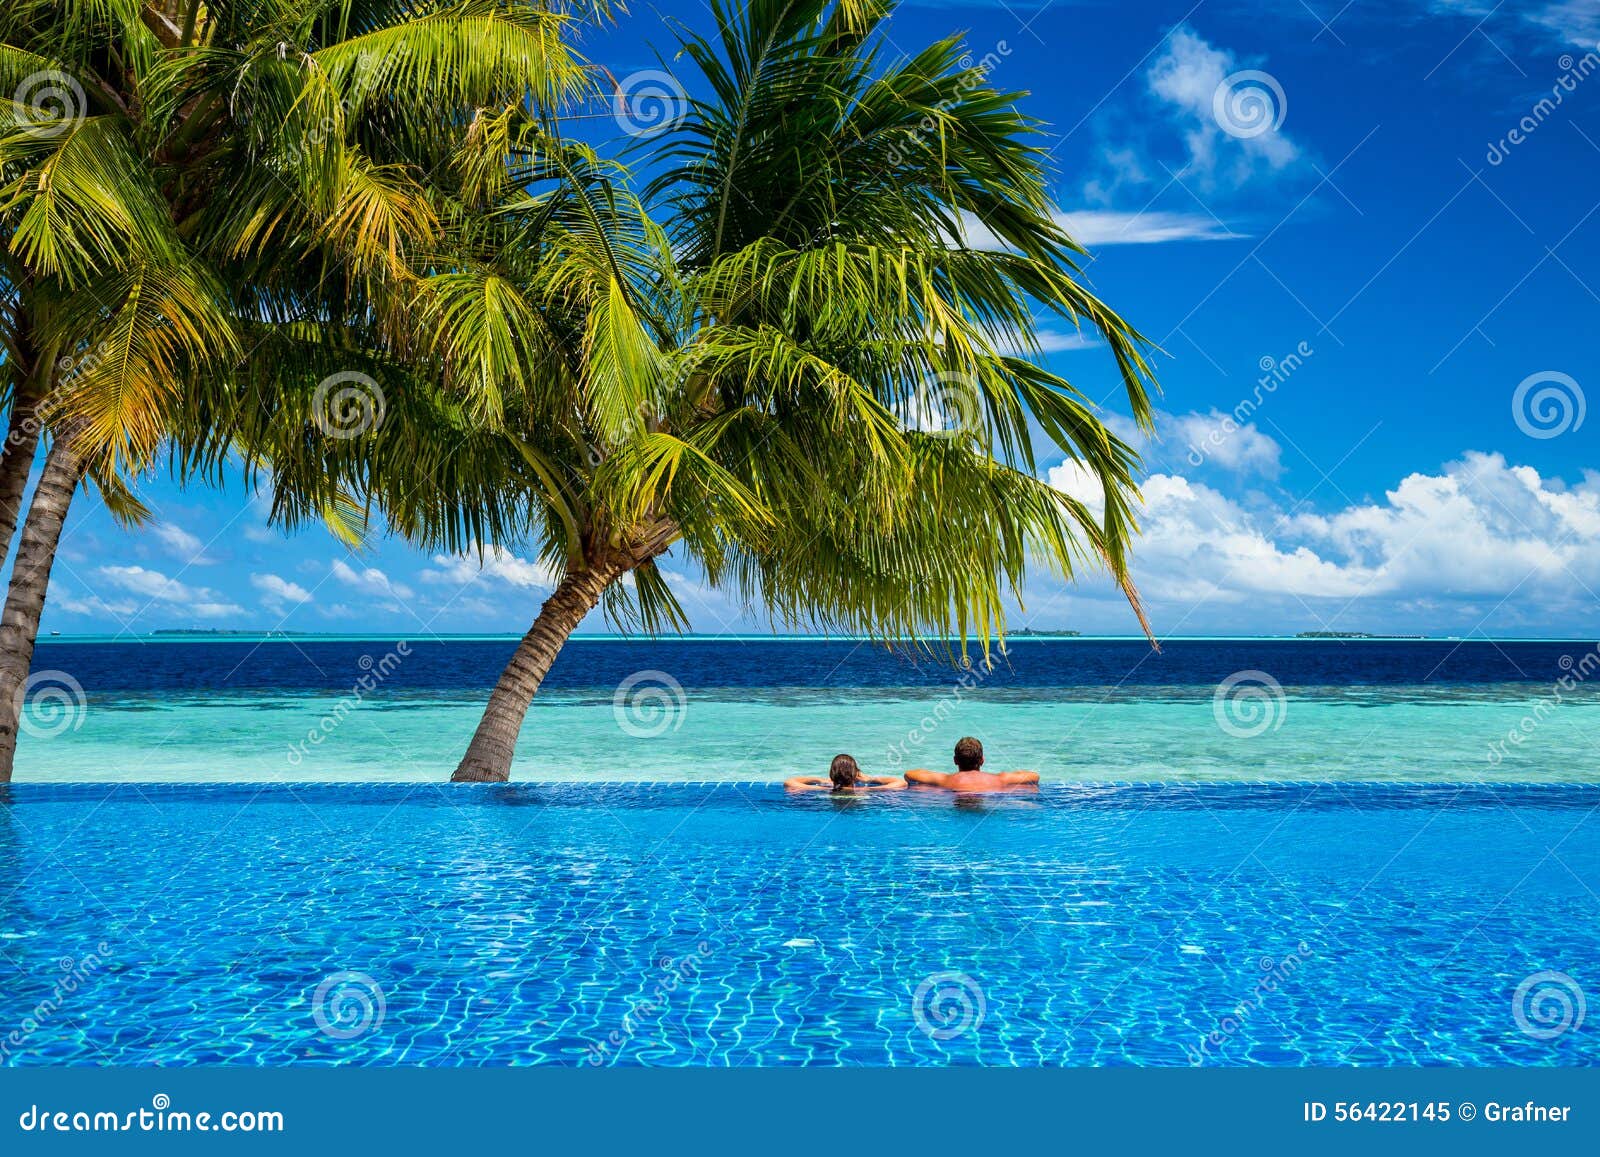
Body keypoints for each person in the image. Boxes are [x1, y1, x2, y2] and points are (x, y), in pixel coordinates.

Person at [905, 737, 1038, 792]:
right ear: (982, 760)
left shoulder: (944, 780)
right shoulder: (1000, 779)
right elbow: (1034, 776)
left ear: (955, 760)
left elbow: (909, 775)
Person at [785, 754, 906, 793]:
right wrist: (868, 780)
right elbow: (901, 783)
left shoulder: (825, 790)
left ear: (831, 774)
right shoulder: (863, 791)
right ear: (856, 774)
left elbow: (789, 782)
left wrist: (820, 780)